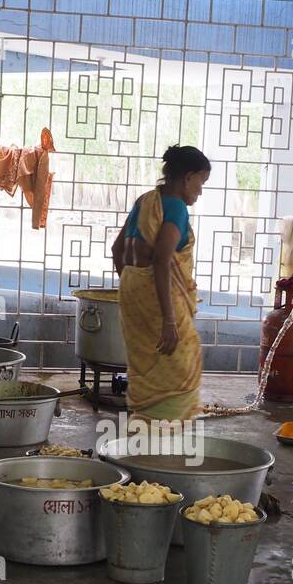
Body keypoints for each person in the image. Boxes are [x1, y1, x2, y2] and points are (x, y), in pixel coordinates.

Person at [111, 145, 210, 422]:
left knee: (145, 364)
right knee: (183, 361)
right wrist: (168, 319)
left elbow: (116, 250)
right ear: (188, 177)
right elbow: (162, 259)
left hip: (131, 288)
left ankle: (144, 430)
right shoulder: (176, 207)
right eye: (201, 182)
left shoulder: (145, 200)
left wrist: (134, 284)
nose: (200, 191)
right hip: (158, 295)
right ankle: (164, 435)